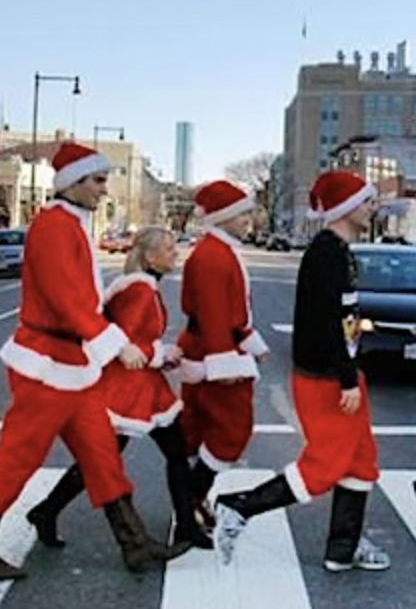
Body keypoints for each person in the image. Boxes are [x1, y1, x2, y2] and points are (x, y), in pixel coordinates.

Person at [0, 143, 179, 580]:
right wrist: (117, 344)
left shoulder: (71, 224)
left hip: (73, 364)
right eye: (97, 180)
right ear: (72, 182)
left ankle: (134, 544)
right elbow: (65, 300)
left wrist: (103, 344)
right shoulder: (54, 226)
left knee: (102, 455)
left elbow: (79, 302)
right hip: (46, 364)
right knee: (19, 457)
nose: (103, 188)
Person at [214, 171, 390, 572]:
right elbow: (328, 322)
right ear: (345, 208)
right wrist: (346, 377)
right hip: (326, 377)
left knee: (361, 460)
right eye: (365, 201)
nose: (371, 207)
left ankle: (342, 550)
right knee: (325, 464)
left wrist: (351, 370)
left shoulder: (338, 250)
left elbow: (343, 319)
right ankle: (238, 507)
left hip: (339, 372)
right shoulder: (327, 253)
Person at [25, 226, 211, 551]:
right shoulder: (139, 291)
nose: (175, 253)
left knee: (168, 452)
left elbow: (132, 338)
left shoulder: (142, 287)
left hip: (142, 384)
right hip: (128, 390)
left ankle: (185, 524)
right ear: (150, 256)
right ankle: (46, 511)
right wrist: (160, 354)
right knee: (105, 461)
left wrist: (158, 356)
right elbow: (120, 340)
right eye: (169, 248)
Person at [176, 180, 269, 527]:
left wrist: (248, 341)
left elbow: (230, 312)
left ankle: (190, 497)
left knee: (198, 429)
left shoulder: (217, 251)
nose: (249, 218)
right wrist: (226, 360)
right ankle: (192, 495)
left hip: (211, 350)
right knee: (231, 430)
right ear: (223, 216)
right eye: (243, 212)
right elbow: (214, 314)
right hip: (215, 354)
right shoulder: (213, 256)